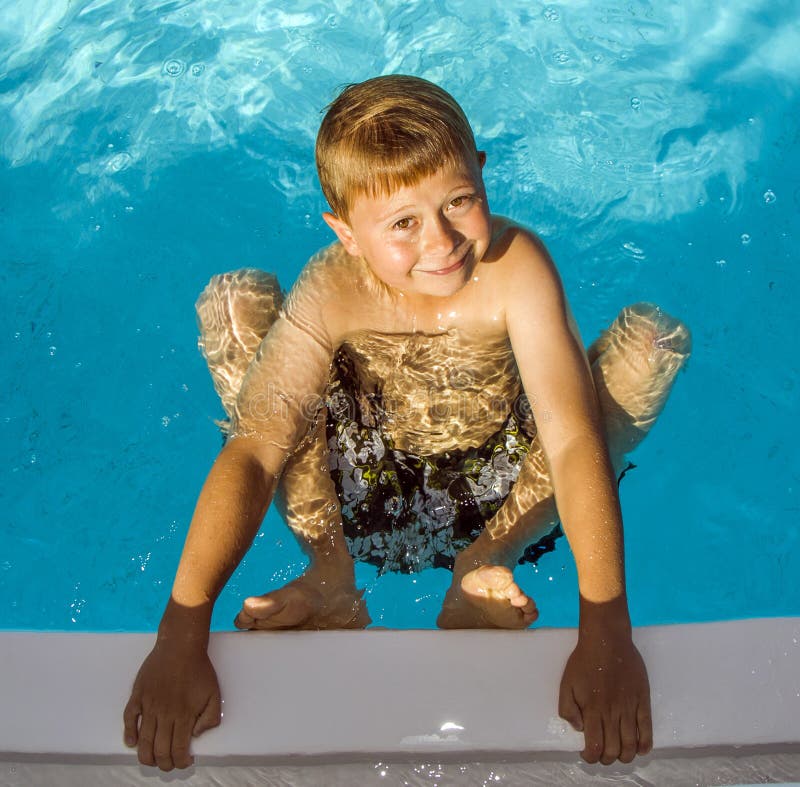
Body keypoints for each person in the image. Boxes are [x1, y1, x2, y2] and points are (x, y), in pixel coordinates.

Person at [123, 74, 691, 771]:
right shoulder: (332, 289)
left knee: (651, 344)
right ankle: (329, 574)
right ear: (346, 232)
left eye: (458, 200)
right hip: (356, 489)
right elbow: (256, 451)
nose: (442, 240)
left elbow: (572, 442)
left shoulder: (516, 270)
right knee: (234, 305)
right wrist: (181, 632)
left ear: (483, 173)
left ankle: (485, 563)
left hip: (504, 488)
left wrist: (607, 626)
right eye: (402, 223)